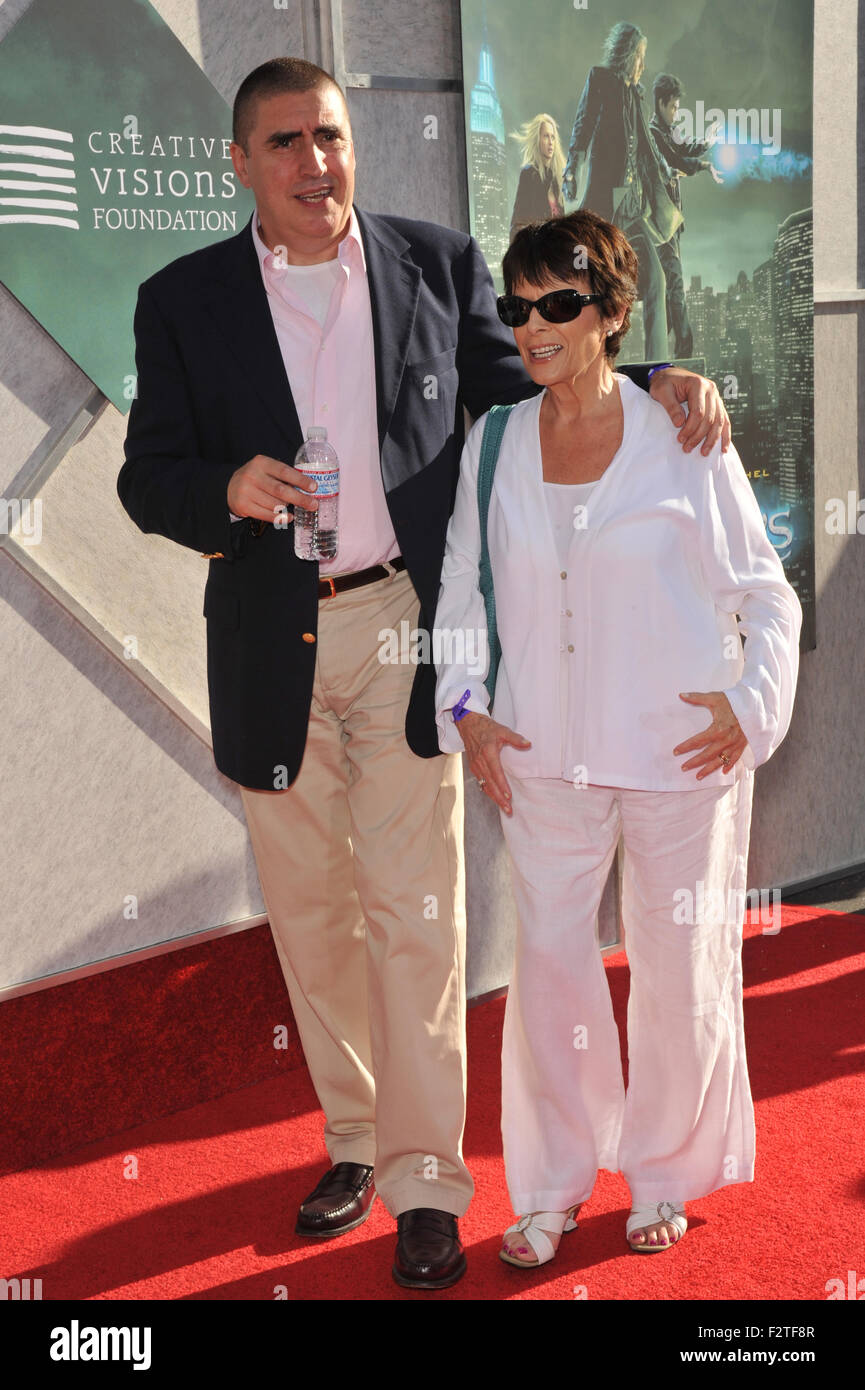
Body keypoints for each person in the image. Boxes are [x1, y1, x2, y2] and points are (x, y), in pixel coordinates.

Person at [117, 57, 732, 1291]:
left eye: (331, 137)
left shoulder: (436, 263)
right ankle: (354, 1139)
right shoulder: (180, 300)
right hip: (267, 633)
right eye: (285, 143)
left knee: (421, 918)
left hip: (407, 624)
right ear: (240, 163)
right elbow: (148, 474)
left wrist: (655, 369)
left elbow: (535, 369)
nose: (315, 163)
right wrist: (219, 492)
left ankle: (426, 1180)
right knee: (314, 915)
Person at [433, 209, 801, 1266]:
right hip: (539, 751)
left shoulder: (680, 436)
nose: (535, 326)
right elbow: (459, 584)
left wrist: (751, 704)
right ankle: (549, 1183)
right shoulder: (492, 442)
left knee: (679, 963)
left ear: (610, 314)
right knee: (548, 965)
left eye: (560, 304)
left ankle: (661, 1174)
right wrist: (464, 707)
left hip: (682, 750)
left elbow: (762, 594)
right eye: (519, 306)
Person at [562, 21, 680, 361]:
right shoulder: (600, 79)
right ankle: (590, 361)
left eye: (644, 57)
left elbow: (647, 147)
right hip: (604, 203)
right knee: (595, 287)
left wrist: (667, 171)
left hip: (632, 205)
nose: (643, 65)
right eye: (639, 56)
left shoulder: (635, 95)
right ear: (626, 54)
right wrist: (572, 167)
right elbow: (583, 125)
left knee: (655, 279)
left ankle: (659, 363)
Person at [649, 74, 723, 357]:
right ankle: (684, 353)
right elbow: (676, 160)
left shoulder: (665, 132)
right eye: (673, 107)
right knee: (675, 286)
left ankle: (658, 350)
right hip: (660, 225)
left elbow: (683, 148)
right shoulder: (654, 135)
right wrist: (703, 165)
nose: (676, 112)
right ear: (660, 103)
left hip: (670, 225)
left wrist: (706, 145)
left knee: (669, 290)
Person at [509, 114, 565, 242]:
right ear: (537, 139)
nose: (551, 142)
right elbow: (518, 222)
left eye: (553, 137)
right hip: (538, 251)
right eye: (546, 136)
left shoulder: (557, 179)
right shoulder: (529, 174)